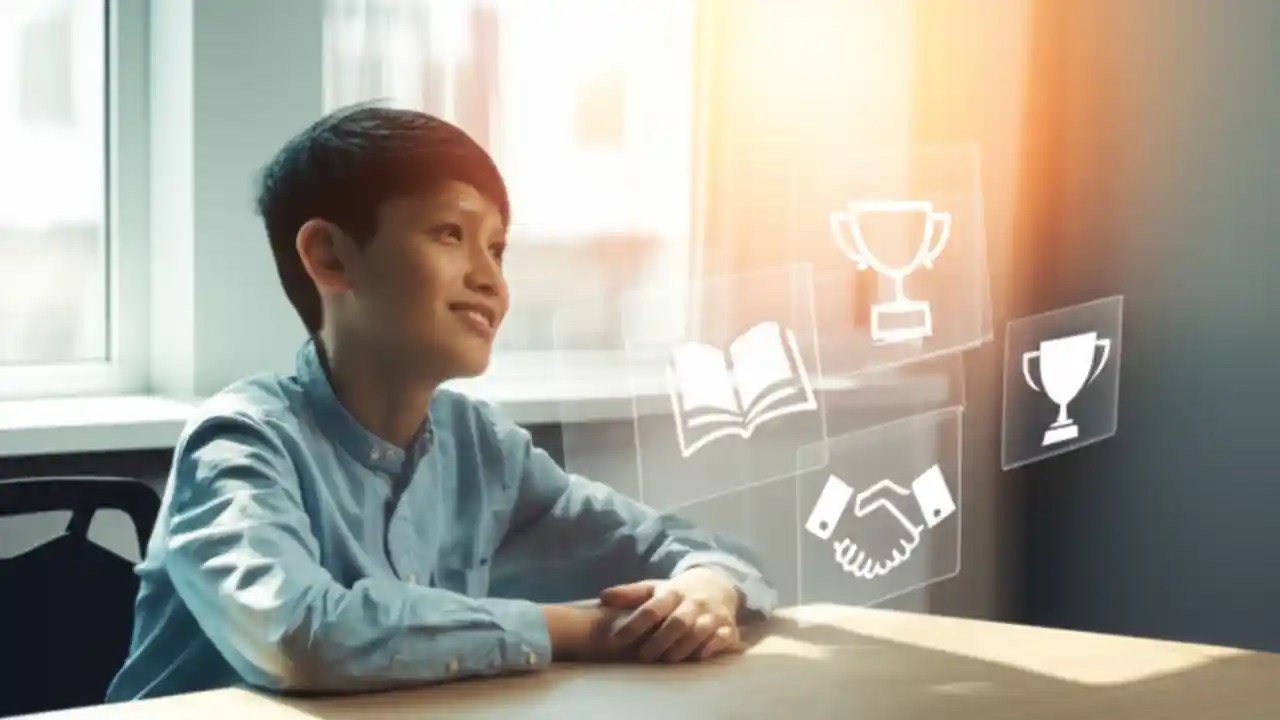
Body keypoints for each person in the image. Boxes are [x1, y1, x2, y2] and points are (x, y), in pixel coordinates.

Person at [106, 104, 777, 701]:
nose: (489, 279)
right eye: (450, 235)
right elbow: (299, 634)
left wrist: (709, 589)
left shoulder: (482, 448)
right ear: (331, 258)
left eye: (498, 249)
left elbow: (686, 545)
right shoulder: (241, 440)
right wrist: (582, 629)